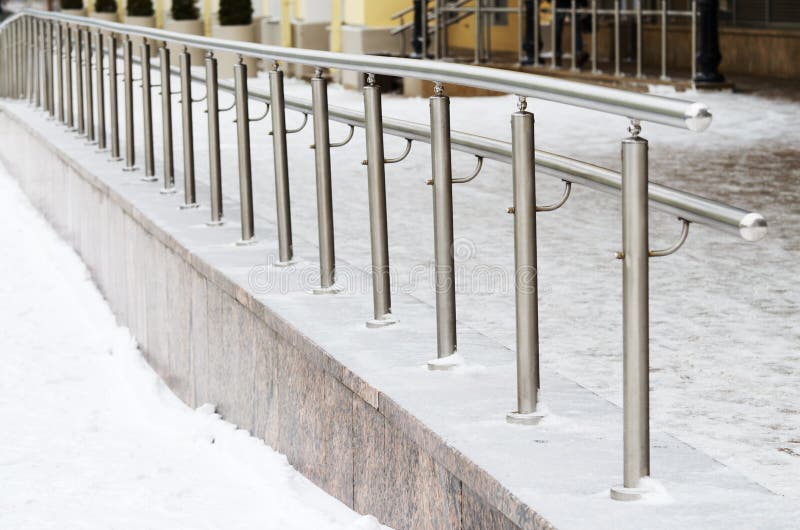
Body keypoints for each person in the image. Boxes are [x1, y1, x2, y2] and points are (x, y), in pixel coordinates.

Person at [554, 0, 589, 67]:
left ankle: (557, 54)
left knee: (558, 29)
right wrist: (584, 4)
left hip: (560, 3)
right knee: (576, 29)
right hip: (571, 3)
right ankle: (578, 53)